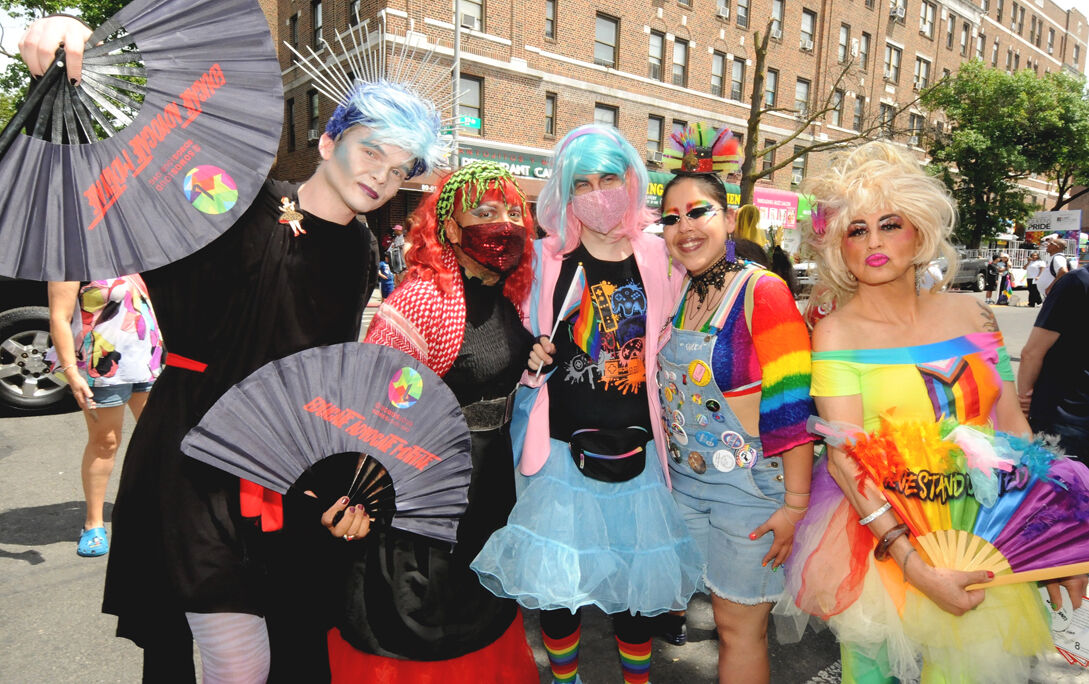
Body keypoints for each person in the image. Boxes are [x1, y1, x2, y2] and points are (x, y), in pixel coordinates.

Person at [19, 14, 450, 683]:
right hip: (195, 458)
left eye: (399, 171)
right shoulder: (236, 202)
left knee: (297, 645)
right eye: (372, 150)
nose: (380, 177)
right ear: (331, 136)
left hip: (291, 467)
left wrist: (351, 487)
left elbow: (328, 373)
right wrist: (65, 42)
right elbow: (131, 169)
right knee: (231, 652)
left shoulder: (362, 249)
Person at [778, 141, 1086, 684]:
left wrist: (1051, 533)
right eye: (856, 229)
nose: (873, 241)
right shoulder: (836, 332)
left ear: (919, 232)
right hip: (877, 539)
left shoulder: (973, 312)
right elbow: (846, 460)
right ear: (837, 247)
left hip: (978, 526)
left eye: (889, 223)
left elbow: (1011, 425)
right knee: (871, 674)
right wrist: (915, 565)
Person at [471, 124, 702, 684]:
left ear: (630, 180)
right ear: (565, 192)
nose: (598, 191)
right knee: (559, 589)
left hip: (639, 455)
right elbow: (509, 338)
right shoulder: (546, 259)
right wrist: (532, 359)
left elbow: (680, 330)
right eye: (583, 182)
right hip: (558, 454)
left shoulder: (659, 256)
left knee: (634, 591)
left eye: (608, 178)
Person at [320, 161, 539, 683]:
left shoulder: (506, 296)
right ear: (450, 228)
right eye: (484, 213)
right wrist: (357, 496)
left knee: (476, 619)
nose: (504, 225)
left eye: (513, 213)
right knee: (417, 625)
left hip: (486, 494)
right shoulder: (424, 300)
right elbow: (370, 408)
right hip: (424, 501)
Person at [656, 171, 816, 683]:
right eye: (671, 218)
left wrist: (794, 508)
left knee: (737, 629)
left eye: (698, 211)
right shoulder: (681, 293)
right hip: (686, 486)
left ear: (728, 219)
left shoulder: (762, 291)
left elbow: (792, 412)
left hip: (751, 493)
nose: (684, 227)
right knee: (699, 613)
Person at [47, 276, 164, 557]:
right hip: (103, 366)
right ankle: (94, 523)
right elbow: (59, 318)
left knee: (157, 438)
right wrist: (72, 372)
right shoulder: (71, 262)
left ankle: (159, 510)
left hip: (148, 361)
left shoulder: (133, 253)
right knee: (105, 442)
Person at [1017, 266, 1089, 465]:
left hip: (1063, 420)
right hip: (1068, 417)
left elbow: (1031, 353)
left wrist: (1023, 405)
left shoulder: (1078, 282)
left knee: (1056, 490)